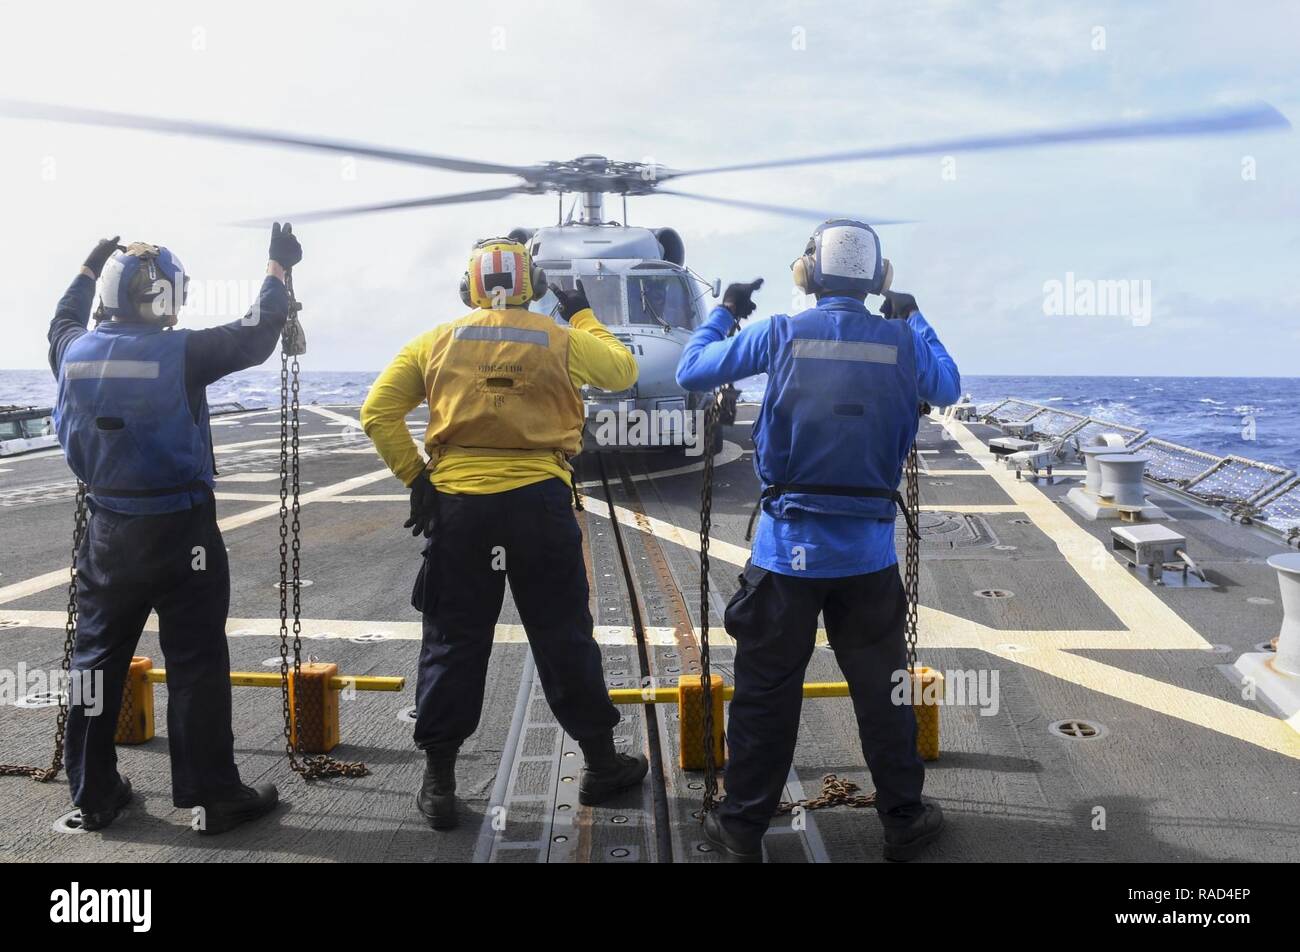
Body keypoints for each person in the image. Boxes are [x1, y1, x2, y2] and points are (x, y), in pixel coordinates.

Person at [675, 219, 961, 862]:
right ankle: (903, 821)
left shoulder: (780, 332)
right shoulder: (900, 342)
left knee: (766, 697)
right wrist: (913, 319)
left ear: (807, 273)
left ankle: (743, 827)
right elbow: (948, 387)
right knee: (885, 695)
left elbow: (693, 372)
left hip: (786, 556)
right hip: (867, 560)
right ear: (880, 281)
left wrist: (724, 311)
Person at [360, 237, 649, 830]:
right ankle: (600, 764)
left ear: (468, 288)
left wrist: (418, 477)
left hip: (460, 512)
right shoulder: (559, 339)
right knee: (564, 636)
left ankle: (439, 784)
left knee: (453, 641)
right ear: (533, 285)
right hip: (538, 510)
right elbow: (623, 371)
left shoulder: (435, 341)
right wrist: (583, 313)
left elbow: (377, 413)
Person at [49, 223, 305, 834]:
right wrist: (278, 267)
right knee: (194, 660)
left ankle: (94, 794)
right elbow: (255, 333)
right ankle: (212, 795)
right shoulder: (183, 352)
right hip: (181, 529)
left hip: (109, 531)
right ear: (166, 297)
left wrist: (87, 270)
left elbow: (61, 318)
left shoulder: (70, 350)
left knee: (93, 662)